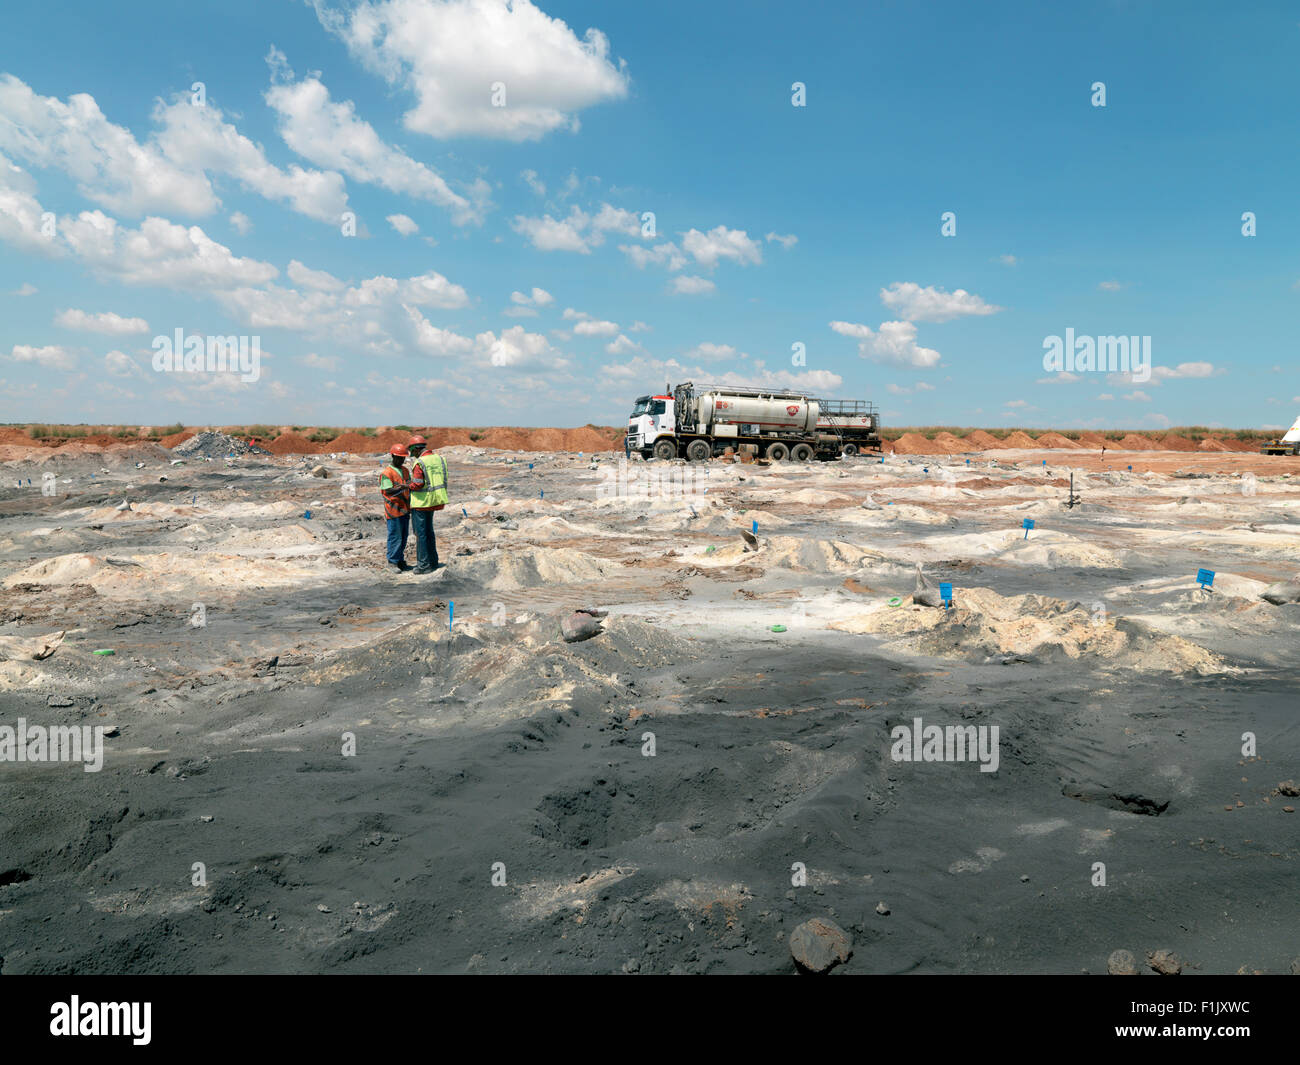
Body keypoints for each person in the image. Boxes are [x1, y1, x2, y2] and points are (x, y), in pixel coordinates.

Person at [407, 434, 448, 574]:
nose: (412, 455)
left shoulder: (420, 462)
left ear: (417, 449)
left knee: (421, 534)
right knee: (429, 532)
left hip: (422, 502)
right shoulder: (439, 459)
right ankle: (433, 561)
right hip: (435, 499)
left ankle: (424, 566)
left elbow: (418, 484)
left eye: (412, 451)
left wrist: (407, 486)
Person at [379, 443, 412, 572]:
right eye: (399, 457)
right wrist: (402, 487)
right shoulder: (387, 473)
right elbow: (388, 491)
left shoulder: (404, 470)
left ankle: (400, 560)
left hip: (404, 508)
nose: (401, 460)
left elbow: (409, 483)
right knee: (395, 536)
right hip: (393, 510)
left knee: (404, 536)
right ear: (393, 456)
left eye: (403, 458)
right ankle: (392, 562)